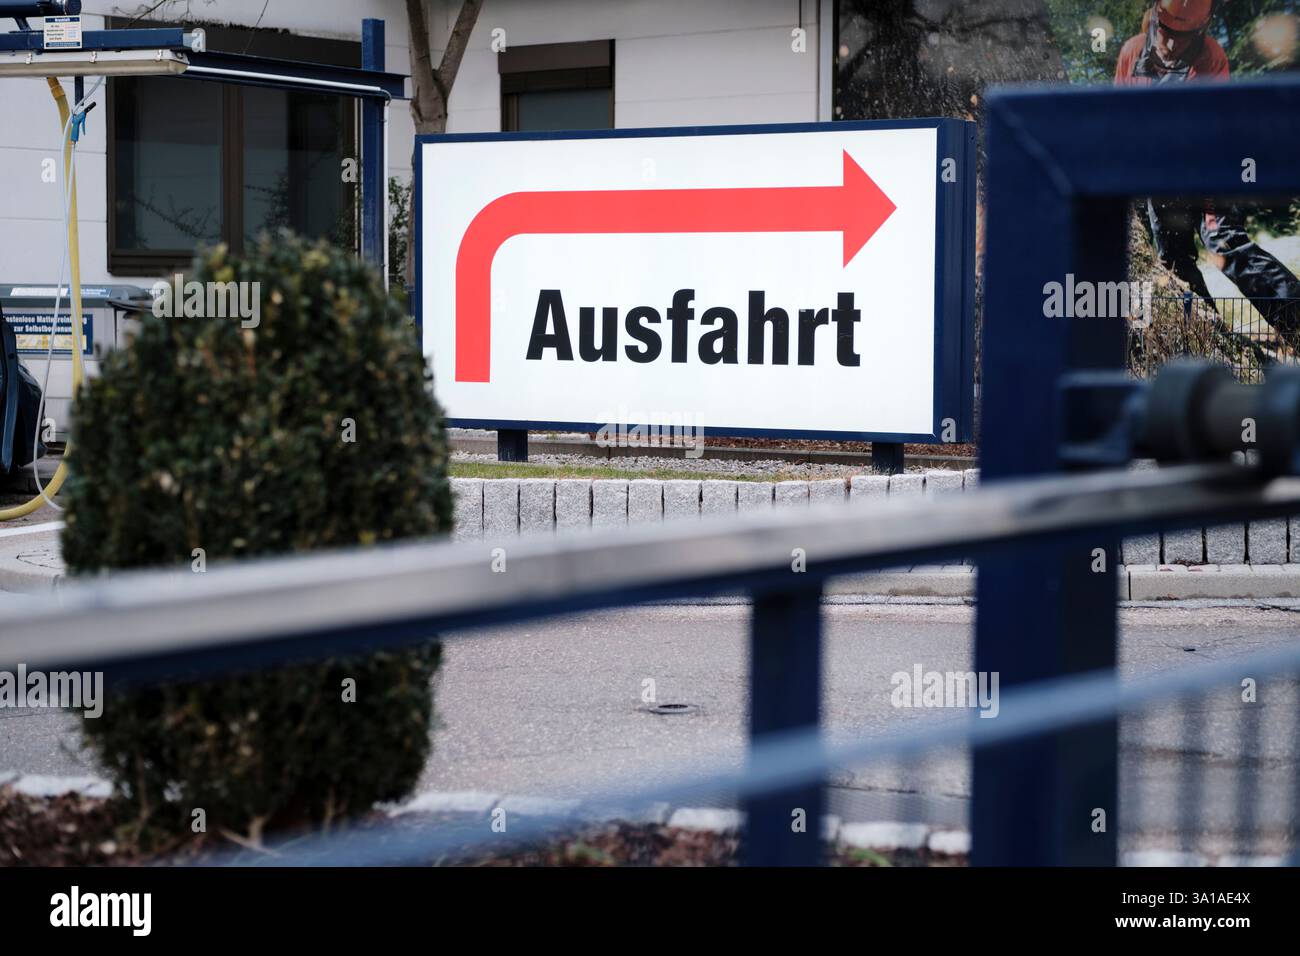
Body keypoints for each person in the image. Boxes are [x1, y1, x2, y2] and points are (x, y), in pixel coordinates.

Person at [1115, 0, 1300, 354]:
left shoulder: (1211, 56)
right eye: (1168, 33)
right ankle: (1208, 341)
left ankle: (1296, 319)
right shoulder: (1131, 54)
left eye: (1186, 37)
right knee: (1174, 259)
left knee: (1226, 243)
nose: (1173, 44)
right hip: (1161, 178)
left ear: (1201, 30)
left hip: (1210, 164)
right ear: (1155, 19)